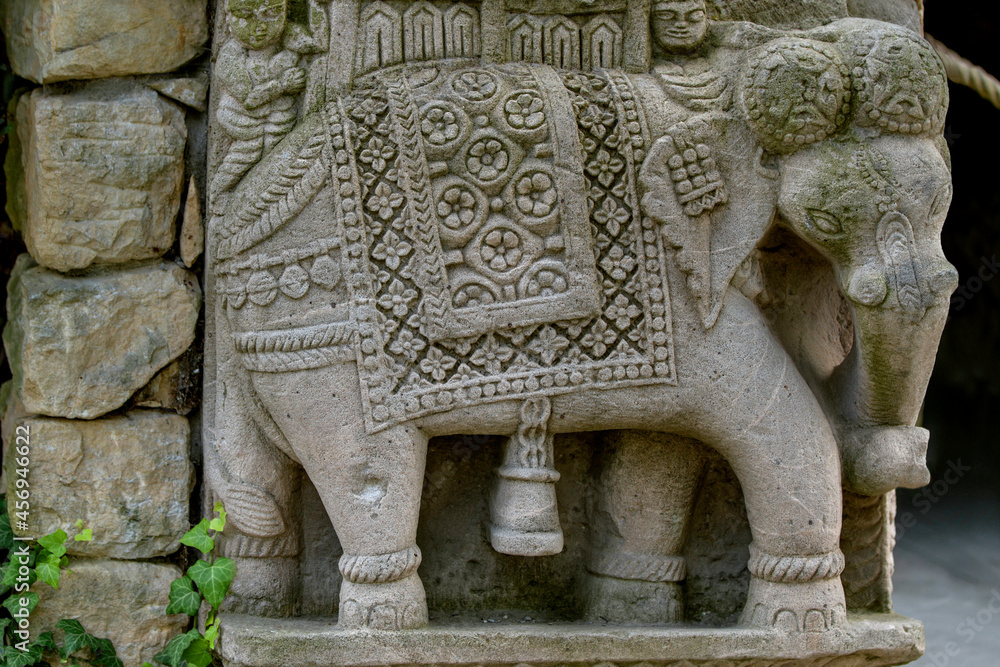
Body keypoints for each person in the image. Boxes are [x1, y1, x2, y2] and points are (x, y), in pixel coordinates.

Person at [212, 0, 329, 201]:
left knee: (279, 161)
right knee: (246, 154)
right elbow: (249, 98)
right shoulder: (230, 56)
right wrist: (282, 84)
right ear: (228, 18)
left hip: (281, 117)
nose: (260, 26)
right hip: (245, 123)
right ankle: (219, 196)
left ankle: (270, 201)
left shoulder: (287, 35)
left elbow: (318, 43)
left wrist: (318, 7)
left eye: (272, 13)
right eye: (246, 16)